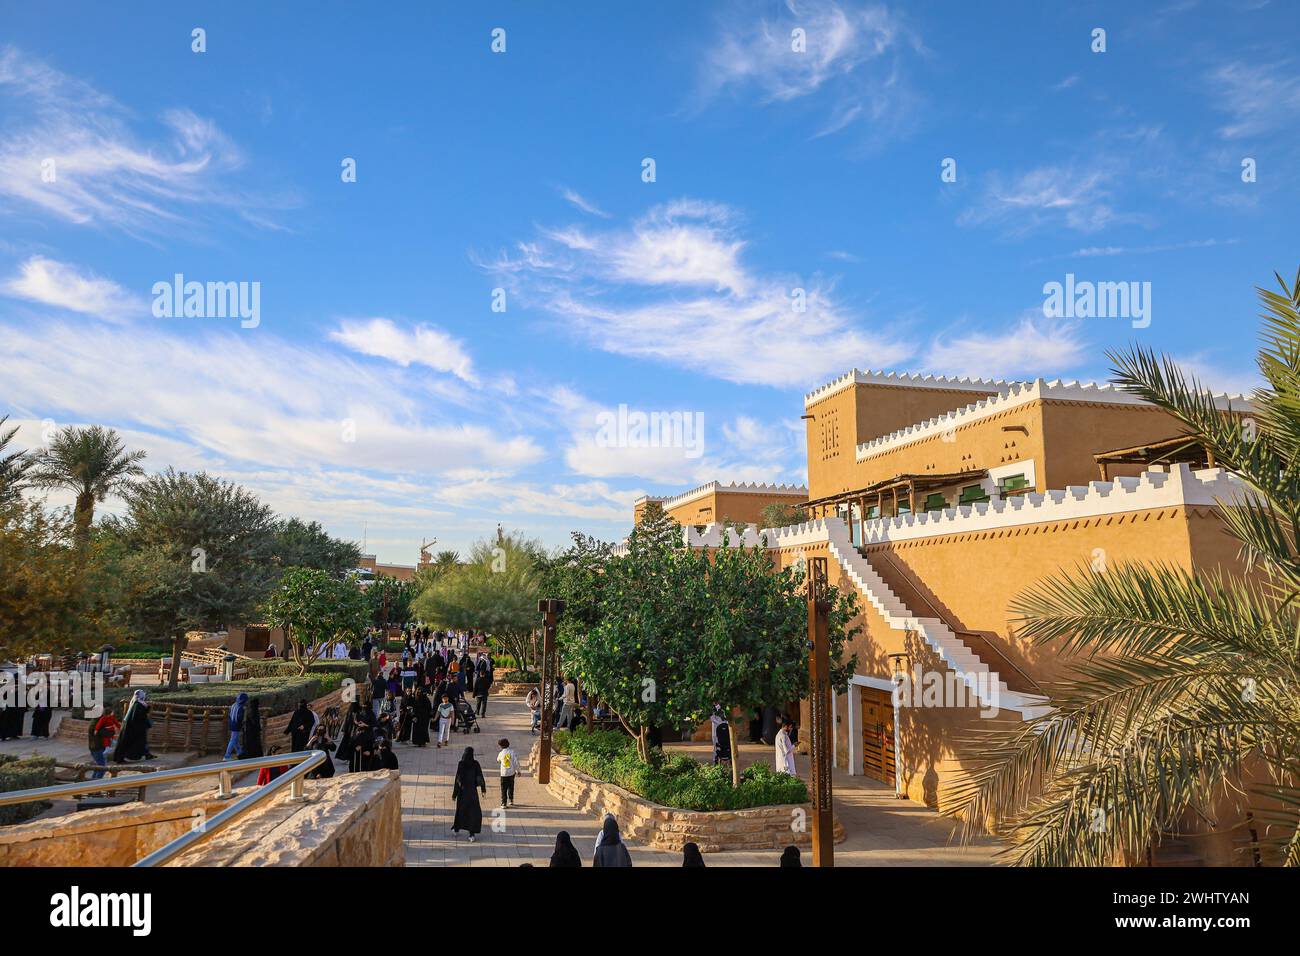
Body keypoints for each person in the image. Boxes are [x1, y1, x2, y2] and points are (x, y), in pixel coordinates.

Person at [451, 746, 487, 843]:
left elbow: (457, 779)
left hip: (462, 793)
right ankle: (471, 834)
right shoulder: (475, 764)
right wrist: (483, 790)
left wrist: (454, 794)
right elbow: (480, 777)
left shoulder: (461, 764)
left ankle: (456, 828)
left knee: (461, 811)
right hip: (472, 793)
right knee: (473, 813)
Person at [112, 690, 154, 762]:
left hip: (133, 728)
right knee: (129, 743)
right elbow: (137, 717)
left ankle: (147, 755)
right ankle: (120, 758)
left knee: (140, 742)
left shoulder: (138, 703)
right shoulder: (138, 705)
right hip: (133, 729)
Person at [87, 710, 121, 779]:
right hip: (97, 748)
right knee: (102, 767)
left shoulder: (96, 721)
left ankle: (92, 783)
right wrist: (112, 730)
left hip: (96, 747)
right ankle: (96, 784)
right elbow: (107, 733)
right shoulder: (96, 724)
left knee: (98, 766)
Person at [335, 701, 362, 766]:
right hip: (352, 731)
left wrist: (344, 730)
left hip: (350, 731)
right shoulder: (357, 711)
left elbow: (347, 721)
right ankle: (348, 758)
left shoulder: (351, 711)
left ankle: (348, 758)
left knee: (348, 745)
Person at [495, 737, 518, 809]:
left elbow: (498, 760)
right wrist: (518, 771)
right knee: (511, 786)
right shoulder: (512, 752)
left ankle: (503, 803)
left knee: (503, 788)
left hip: (504, 774)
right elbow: (516, 762)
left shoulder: (501, 753)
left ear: (501, 746)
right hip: (511, 773)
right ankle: (511, 800)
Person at [225, 692, 249, 759]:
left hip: (231, 724)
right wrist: (242, 724)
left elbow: (229, 715)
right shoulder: (241, 708)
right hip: (236, 725)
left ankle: (239, 752)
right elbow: (240, 718)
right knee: (233, 740)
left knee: (235, 739)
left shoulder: (233, 705)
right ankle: (227, 756)